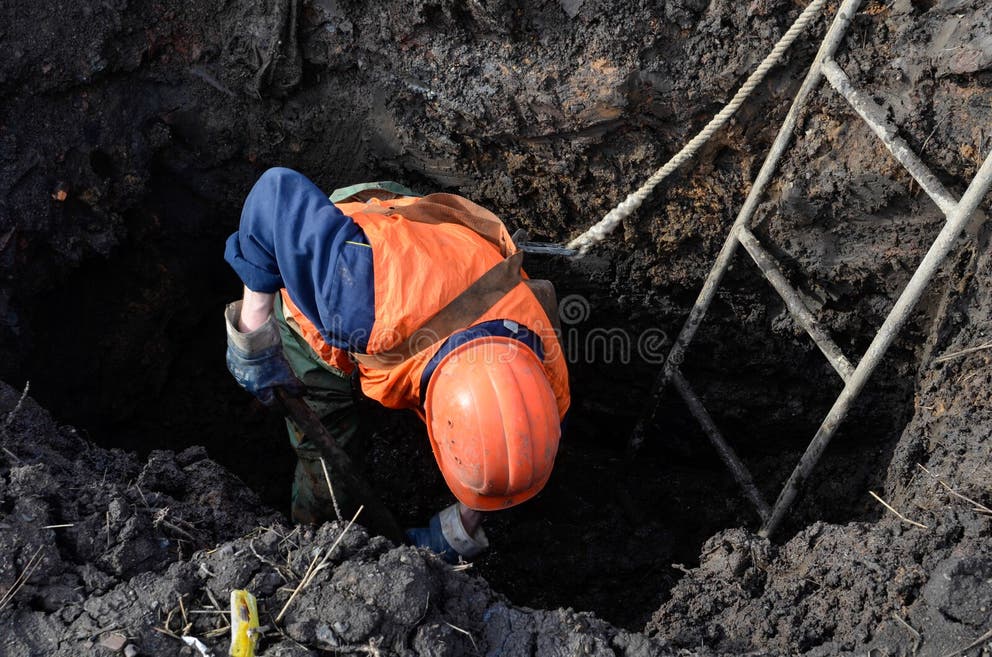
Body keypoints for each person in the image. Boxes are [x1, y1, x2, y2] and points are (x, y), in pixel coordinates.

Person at [223, 167, 570, 563]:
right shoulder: (355, 297)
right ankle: (314, 542)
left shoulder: (546, 384)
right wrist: (253, 332)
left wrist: (460, 529)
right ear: (435, 425)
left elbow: (509, 456)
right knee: (326, 440)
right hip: (353, 249)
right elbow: (275, 194)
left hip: (430, 242)